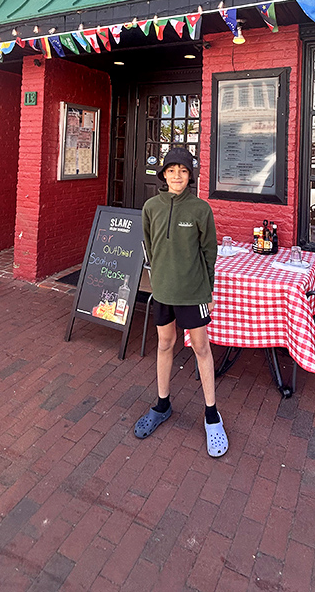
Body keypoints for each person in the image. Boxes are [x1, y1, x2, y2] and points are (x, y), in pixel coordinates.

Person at [134, 146, 228, 457]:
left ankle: (212, 415)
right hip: (163, 290)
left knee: (201, 348)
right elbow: (150, 245)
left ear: (190, 176)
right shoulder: (151, 207)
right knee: (164, 343)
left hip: (193, 292)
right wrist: (157, 281)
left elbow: (209, 253)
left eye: (184, 171)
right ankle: (162, 405)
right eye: (172, 170)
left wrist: (209, 292)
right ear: (163, 174)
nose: (177, 175)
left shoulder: (201, 209)